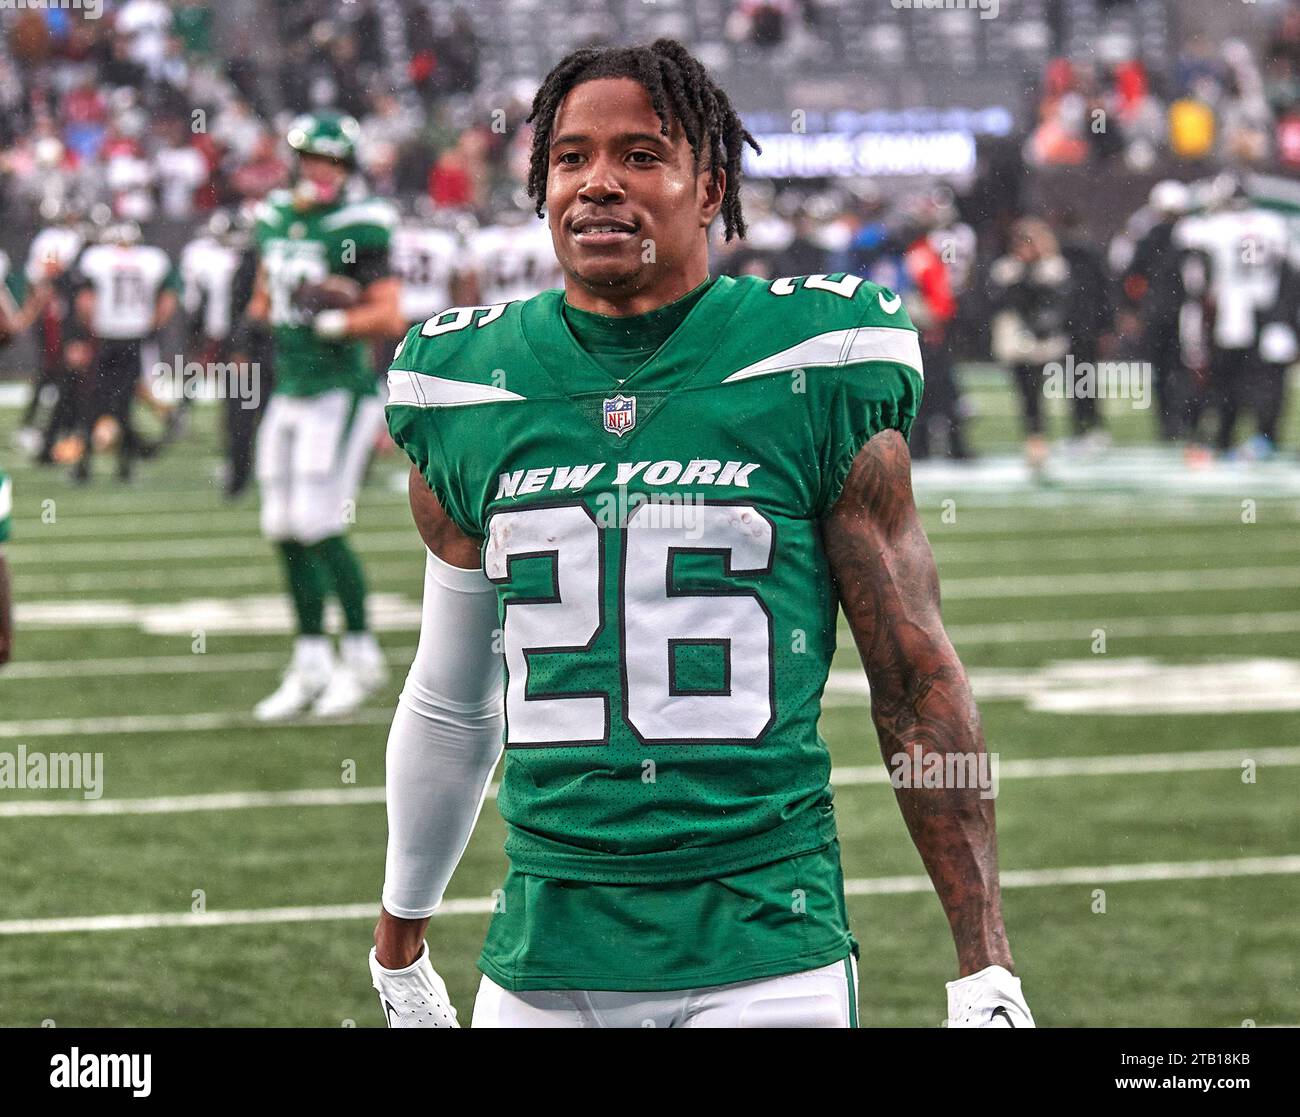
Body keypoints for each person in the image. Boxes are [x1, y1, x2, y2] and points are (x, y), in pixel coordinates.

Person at [369, 38, 1033, 1030]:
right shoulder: (465, 384)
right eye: (570, 157)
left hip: (764, 942)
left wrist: (984, 963)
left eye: (641, 155)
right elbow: (455, 695)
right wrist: (400, 935)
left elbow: (912, 673)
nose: (599, 183)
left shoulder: (810, 361)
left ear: (710, 184)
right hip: (545, 951)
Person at [245, 112, 405, 721]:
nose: (321, 172)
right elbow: (263, 297)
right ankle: (310, 659)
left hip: (340, 391)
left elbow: (390, 314)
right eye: (314, 159)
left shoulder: (361, 225)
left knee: (318, 523)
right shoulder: (275, 217)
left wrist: (334, 317)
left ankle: (361, 656)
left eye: (333, 163)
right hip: (291, 387)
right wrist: (277, 309)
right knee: (281, 525)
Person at [68, 221, 179, 484]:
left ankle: (84, 466)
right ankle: (125, 466)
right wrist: (151, 324)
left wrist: (86, 332)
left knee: (95, 401)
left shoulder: (97, 259)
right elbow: (169, 299)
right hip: (134, 338)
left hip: (106, 337)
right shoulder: (152, 259)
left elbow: (84, 302)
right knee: (124, 402)